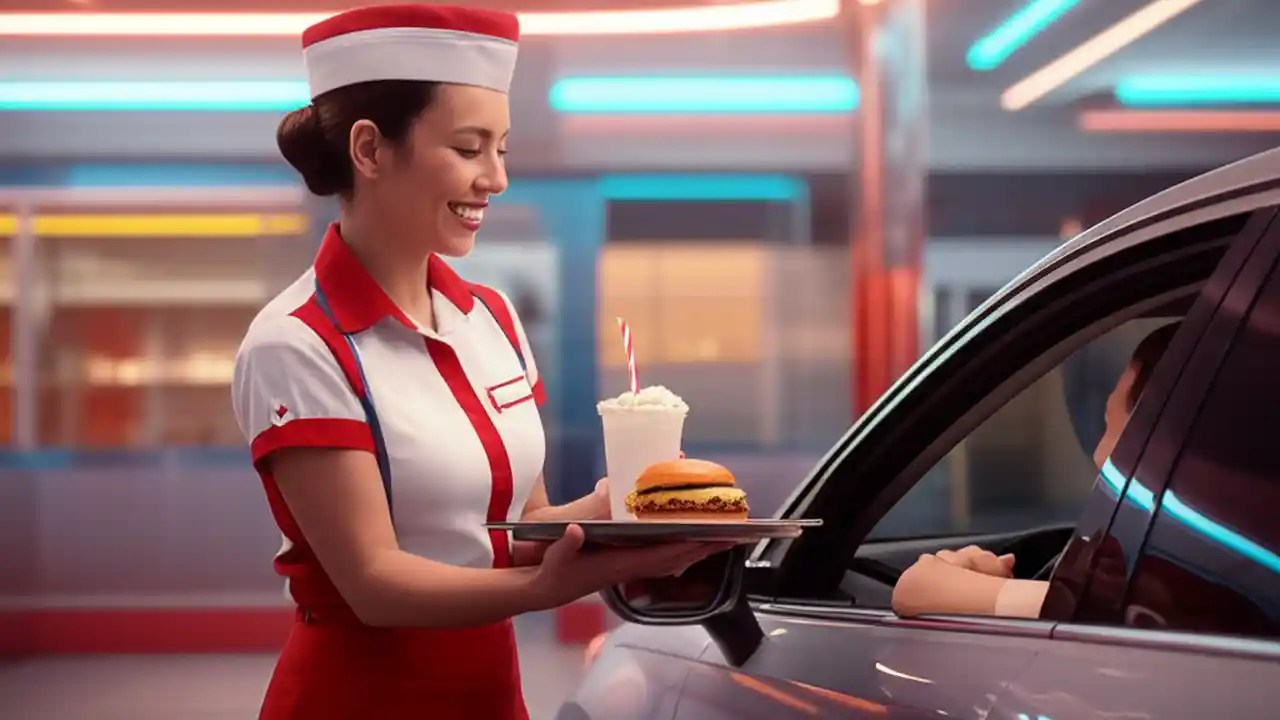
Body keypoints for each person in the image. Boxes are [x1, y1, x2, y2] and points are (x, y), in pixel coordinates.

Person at [231, 6, 727, 719]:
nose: (495, 179)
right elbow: (374, 584)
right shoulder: (298, 342)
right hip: (356, 697)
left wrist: (627, 509)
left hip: (491, 693)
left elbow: (519, 530)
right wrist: (553, 588)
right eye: (469, 149)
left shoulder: (490, 316)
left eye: (502, 149)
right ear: (369, 151)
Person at [891, 322, 1180, 619]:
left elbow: (915, 588)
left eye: (1109, 425)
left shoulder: (1126, 597)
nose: (1101, 469)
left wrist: (981, 580)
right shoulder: (1178, 587)